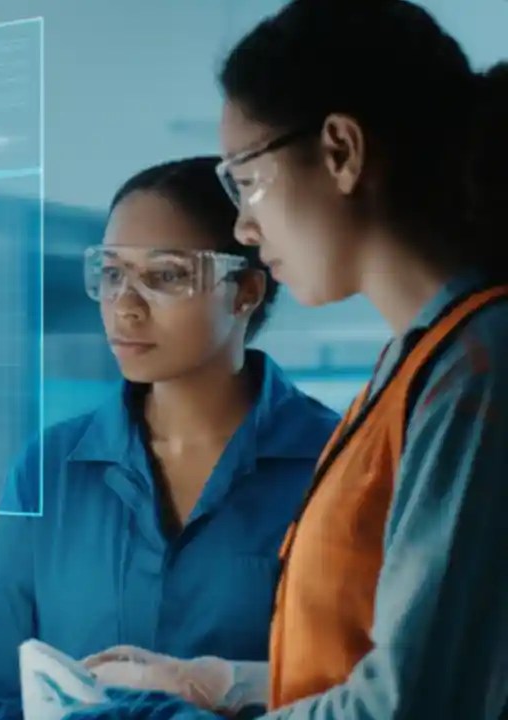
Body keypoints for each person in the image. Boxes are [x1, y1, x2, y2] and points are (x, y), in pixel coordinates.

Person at [68, 1, 508, 718]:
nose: (244, 223)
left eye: (245, 180)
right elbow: (367, 656)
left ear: (341, 151)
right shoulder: (416, 365)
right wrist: (217, 684)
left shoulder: (477, 374)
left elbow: (412, 704)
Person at [0, 156, 340, 720]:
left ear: (246, 292)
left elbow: (381, 687)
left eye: (166, 275)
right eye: (112, 273)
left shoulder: (336, 465)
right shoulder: (53, 469)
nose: (126, 306)